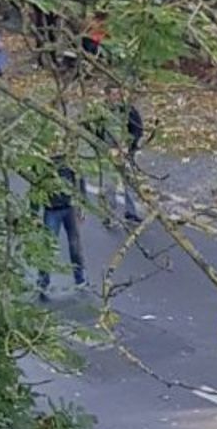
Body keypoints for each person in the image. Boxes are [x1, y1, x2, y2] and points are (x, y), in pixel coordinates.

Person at [91, 84, 145, 225]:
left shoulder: (127, 109)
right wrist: (105, 148)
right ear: (107, 95)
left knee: (130, 183)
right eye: (114, 94)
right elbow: (94, 133)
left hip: (125, 152)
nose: (117, 97)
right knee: (110, 185)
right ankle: (110, 215)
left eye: (118, 94)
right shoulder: (99, 112)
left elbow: (138, 129)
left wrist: (129, 145)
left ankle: (131, 213)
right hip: (109, 152)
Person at [38, 160, 86, 300]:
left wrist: (82, 204)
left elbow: (79, 179)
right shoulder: (43, 162)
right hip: (51, 208)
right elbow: (35, 187)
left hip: (69, 206)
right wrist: (33, 214)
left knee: (75, 245)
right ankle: (43, 283)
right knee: (48, 247)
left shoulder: (69, 159)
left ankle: (80, 279)